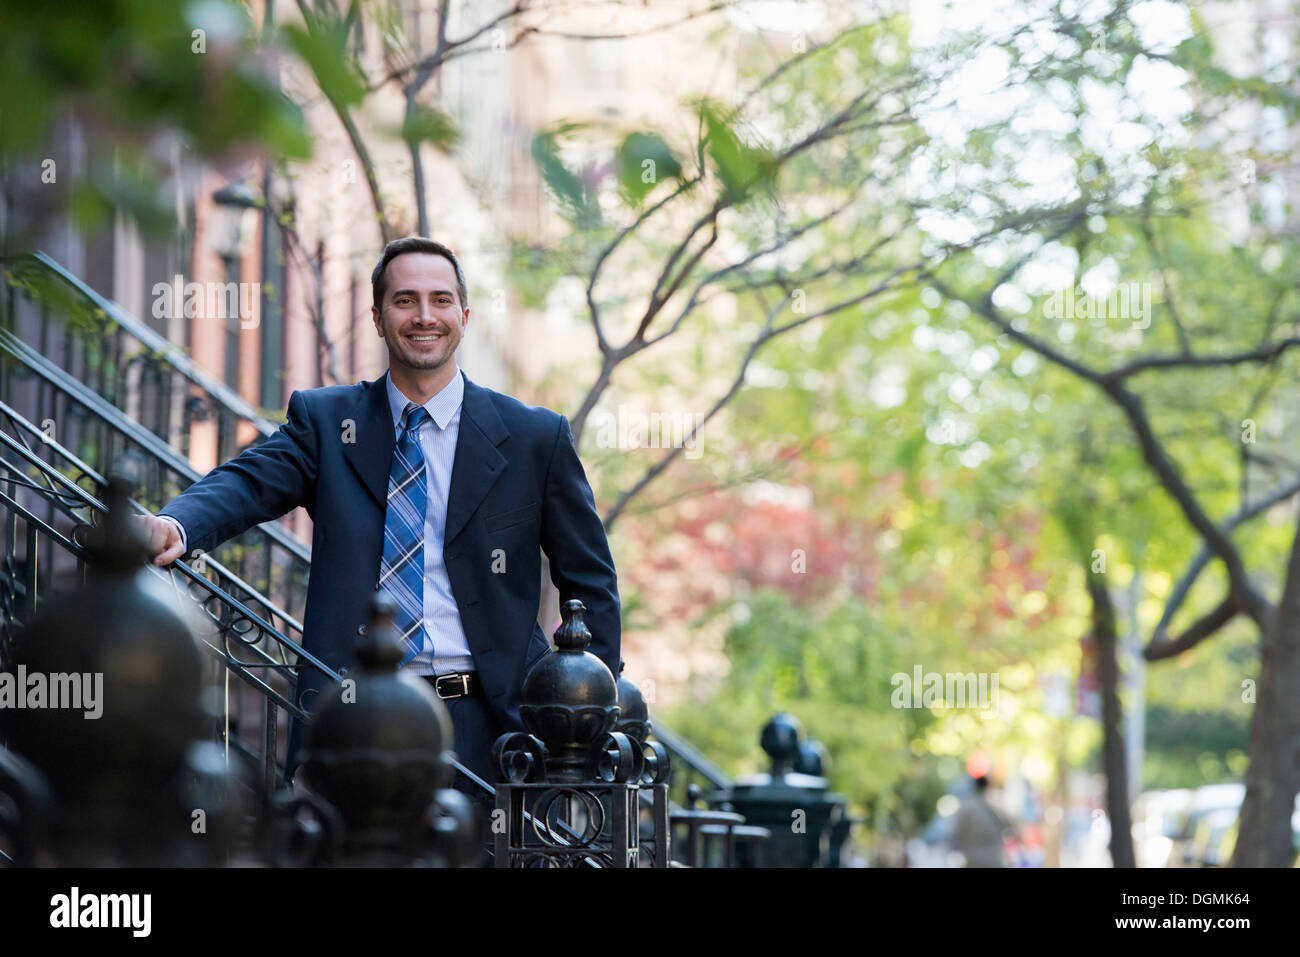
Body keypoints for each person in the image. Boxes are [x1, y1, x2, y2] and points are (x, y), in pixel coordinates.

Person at [137, 237, 621, 809]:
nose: (424, 316)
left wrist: (588, 723)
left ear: (463, 317)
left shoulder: (535, 437)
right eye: (405, 300)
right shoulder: (327, 422)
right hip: (355, 716)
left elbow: (590, 583)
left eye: (441, 300)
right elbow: (248, 482)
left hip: (492, 728)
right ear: (377, 317)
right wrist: (177, 524)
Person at [953, 774, 1013, 867]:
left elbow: (958, 833)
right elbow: (1011, 825)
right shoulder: (996, 803)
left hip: (973, 859)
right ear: (988, 786)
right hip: (995, 859)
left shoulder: (965, 808)